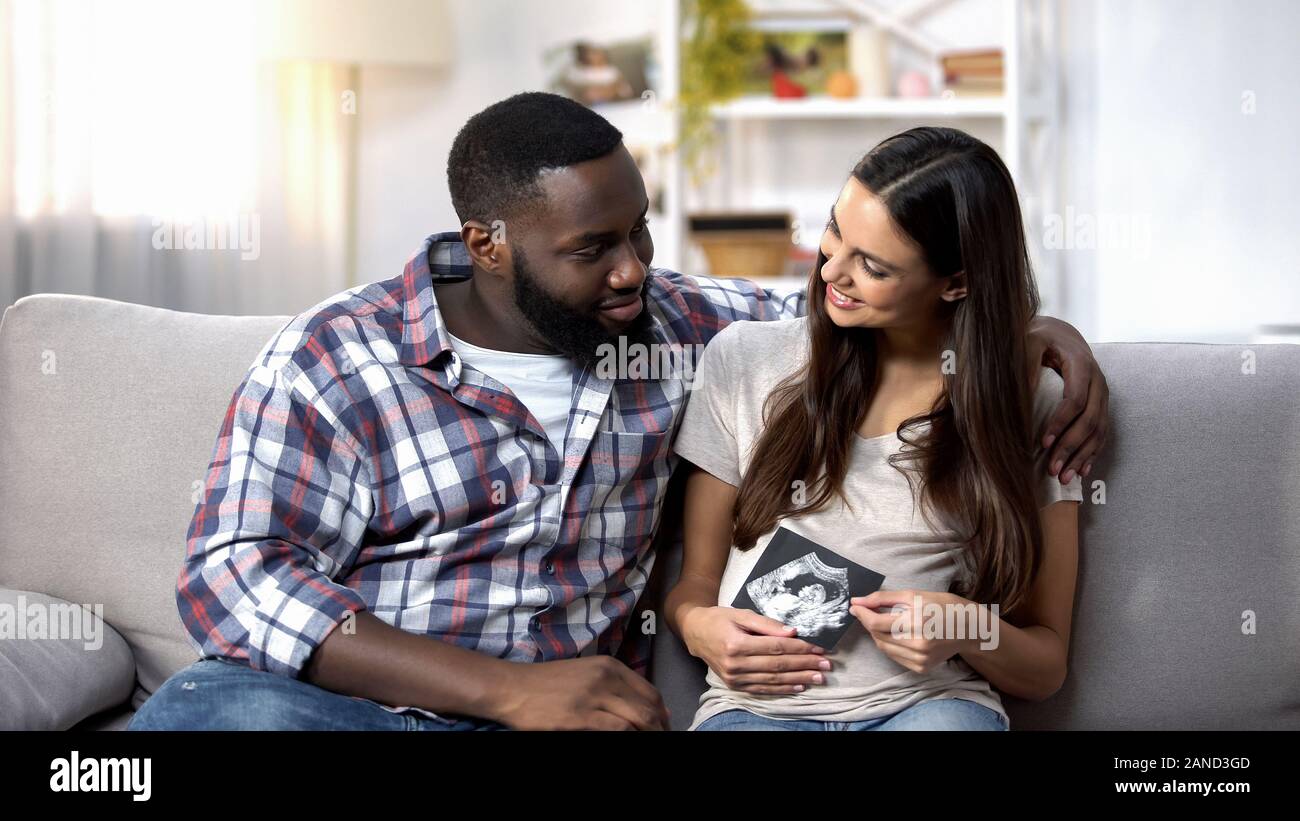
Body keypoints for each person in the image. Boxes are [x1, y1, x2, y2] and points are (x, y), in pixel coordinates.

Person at [128, 94, 1106, 731]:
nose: (633, 266)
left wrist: (1034, 333)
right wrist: (506, 689)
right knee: (205, 710)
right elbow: (231, 578)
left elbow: (864, 310)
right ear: (490, 243)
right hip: (372, 713)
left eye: (639, 228)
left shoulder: (681, 325)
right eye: (593, 247)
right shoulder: (336, 357)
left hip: (589, 728)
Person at [665, 126, 1084, 731]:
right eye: (835, 230)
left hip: (929, 706)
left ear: (957, 282)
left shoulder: (1030, 401)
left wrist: (967, 627)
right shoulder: (744, 360)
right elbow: (694, 583)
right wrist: (697, 626)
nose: (830, 270)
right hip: (755, 711)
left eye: (873, 265)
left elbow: (1046, 667)